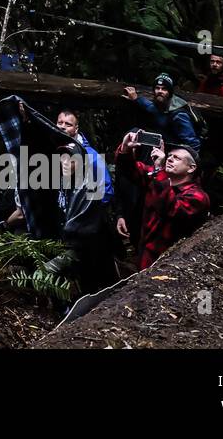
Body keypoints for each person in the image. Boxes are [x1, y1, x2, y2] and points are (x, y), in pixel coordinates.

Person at [114, 130, 210, 270]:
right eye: (169, 155)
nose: (170, 159)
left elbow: (171, 209)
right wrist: (126, 147)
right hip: (147, 254)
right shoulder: (158, 178)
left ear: (191, 168)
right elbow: (129, 169)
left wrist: (159, 169)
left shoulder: (198, 197)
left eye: (177, 158)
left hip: (174, 263)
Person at [43, 143, 117, 294]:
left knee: (99, 288)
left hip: (87, 249)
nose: (64, 163)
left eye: (71, 159)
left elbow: (79, 226)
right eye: (62, 158)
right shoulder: (63, 182)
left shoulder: (90, 185)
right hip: (72, 246)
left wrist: (58, 247)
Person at [122, 73, 201, 152]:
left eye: (164, 89)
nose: (160, 91)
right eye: (157, 88)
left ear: (170, 92)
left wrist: (185, 161)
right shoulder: (161, 105)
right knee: (135, 132)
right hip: (162, 144)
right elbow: (149, 106)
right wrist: (136, 99)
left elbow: (193, 144)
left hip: (174, 152)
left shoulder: (179, 115)